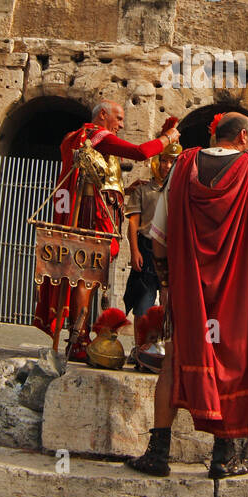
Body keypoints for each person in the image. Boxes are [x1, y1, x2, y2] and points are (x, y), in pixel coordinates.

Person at [126, 112, 248, 479]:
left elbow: (158, 235)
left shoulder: (183, 165)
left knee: (172, 364)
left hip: (188, 292)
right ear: (241, 138)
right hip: (239, 295)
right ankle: (224, 456)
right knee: (232, 366)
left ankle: (158, 453)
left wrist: (168, 285)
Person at [33, 102, 180, 363]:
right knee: (85, 275)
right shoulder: (97, 137)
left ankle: (79, 336)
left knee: (87, 276)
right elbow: (140, 153)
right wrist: (166, 138)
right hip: (93, 215)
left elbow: (103, 179)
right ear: (102, 115)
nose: (121, 125)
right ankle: (78, 339)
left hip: (99, 211)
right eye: (119, 118)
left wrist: (125, 188)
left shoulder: (85, 138)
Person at [123, 141, 181, 361]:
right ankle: (140, 347)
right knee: (143, 302)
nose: (167, 166)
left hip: (171, 252)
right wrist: (134, 251)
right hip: (146, 250)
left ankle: (167, 347)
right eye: (164, 160)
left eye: (172, 161)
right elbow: (133, 223)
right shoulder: (143, 190)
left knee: (170, 303)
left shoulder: (181, 191)